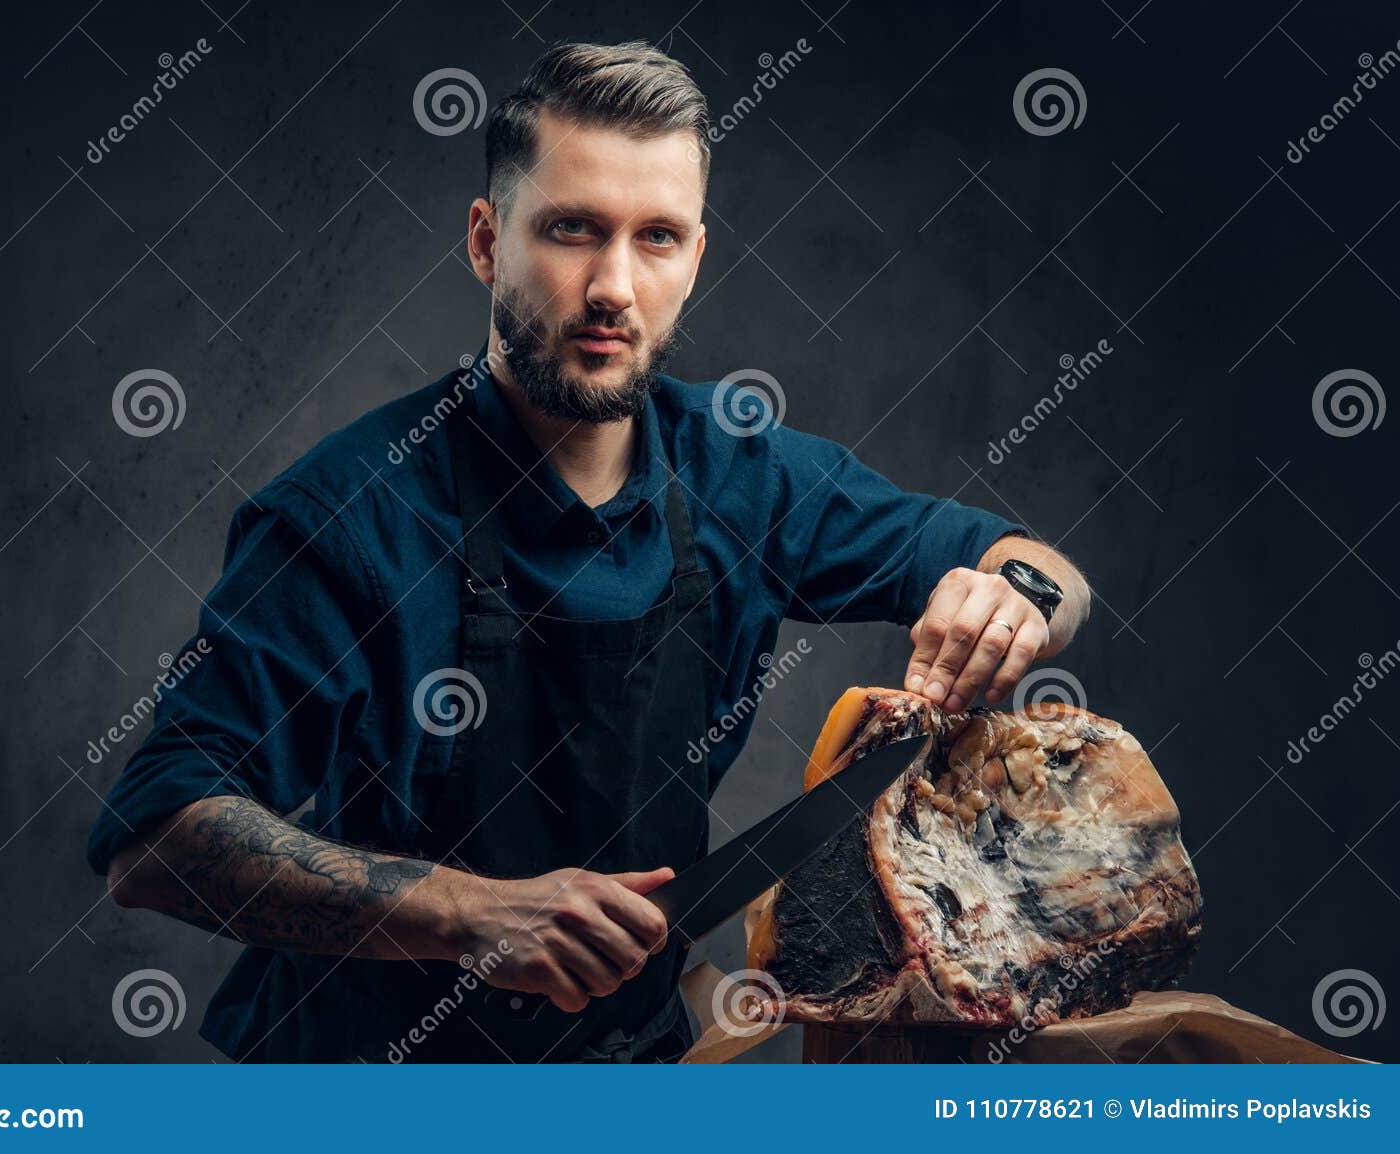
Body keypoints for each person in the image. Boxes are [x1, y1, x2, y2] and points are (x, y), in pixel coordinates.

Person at [87, 39, 1091, 1063]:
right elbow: (155, 837)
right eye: (573, 231)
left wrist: (1009, 595)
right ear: (487, 241)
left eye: (656, 237)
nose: (613, 284)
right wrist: (465, 911)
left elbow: (1035, 565)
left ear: (694, 258)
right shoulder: (349, 515)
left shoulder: (745, 475)